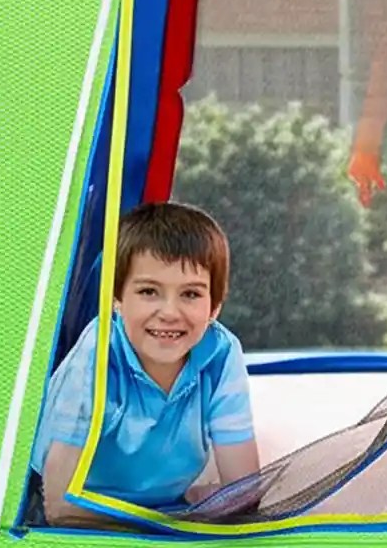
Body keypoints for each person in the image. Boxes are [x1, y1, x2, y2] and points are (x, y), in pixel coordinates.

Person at [30, 202, 259, 527]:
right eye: (149, 291)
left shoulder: (221, 355)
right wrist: (165, 522)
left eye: (191, 294)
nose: (169, 311)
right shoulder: (96, 354)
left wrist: (195, 507)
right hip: (90, 515)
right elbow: (60, 508)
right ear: (117, 299)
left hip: (168, 508)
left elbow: (244, 494)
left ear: (215, 307)